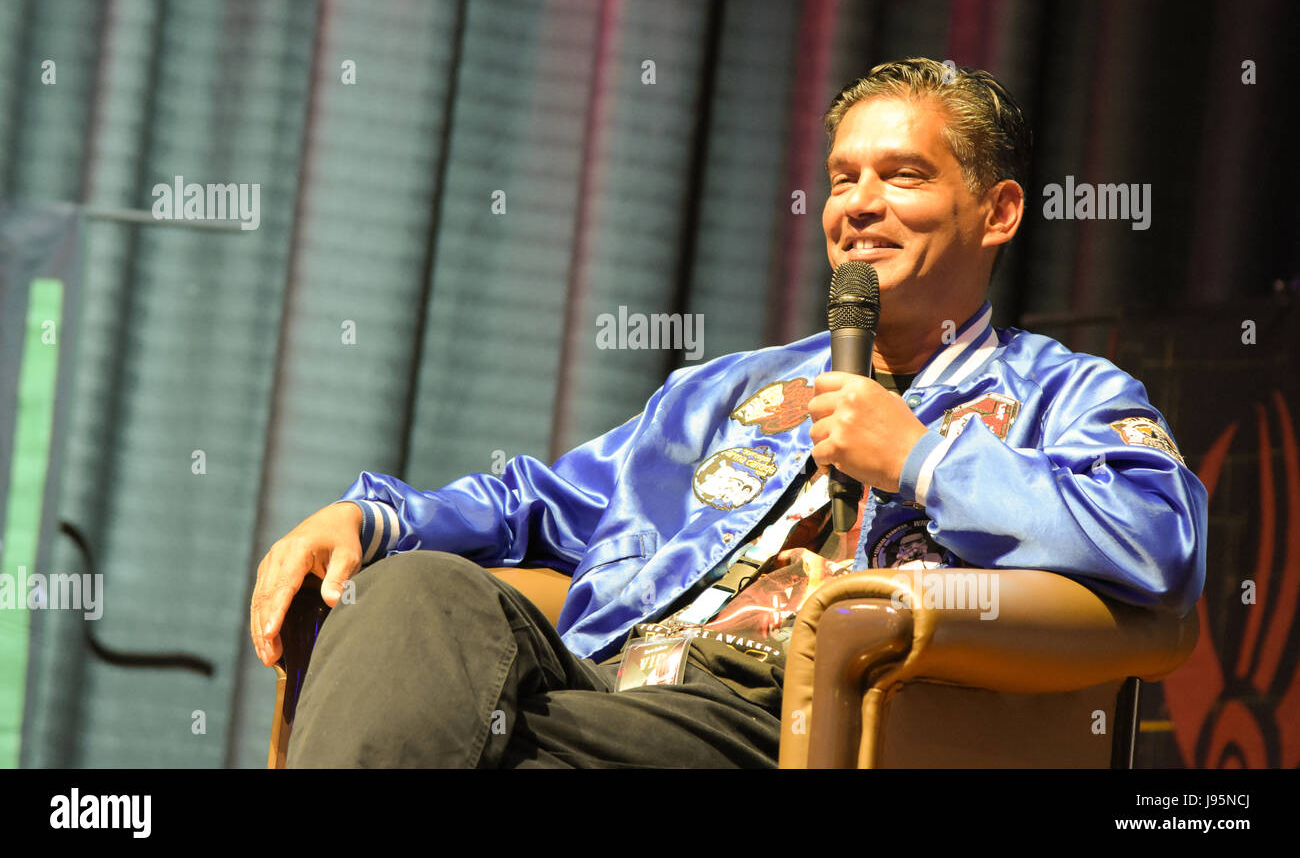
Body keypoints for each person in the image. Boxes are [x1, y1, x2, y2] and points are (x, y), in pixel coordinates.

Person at [249, 57, 1207, 768]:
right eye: (843, 178)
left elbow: (1162, 542)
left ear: (997, 213)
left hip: (774, 719)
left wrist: (920, 462)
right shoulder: (726, 390)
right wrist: (377, 518)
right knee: (410, 591)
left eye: (903, 176)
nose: (859, 205)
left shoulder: (1064, 392)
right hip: (611, 686)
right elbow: (540, 502)